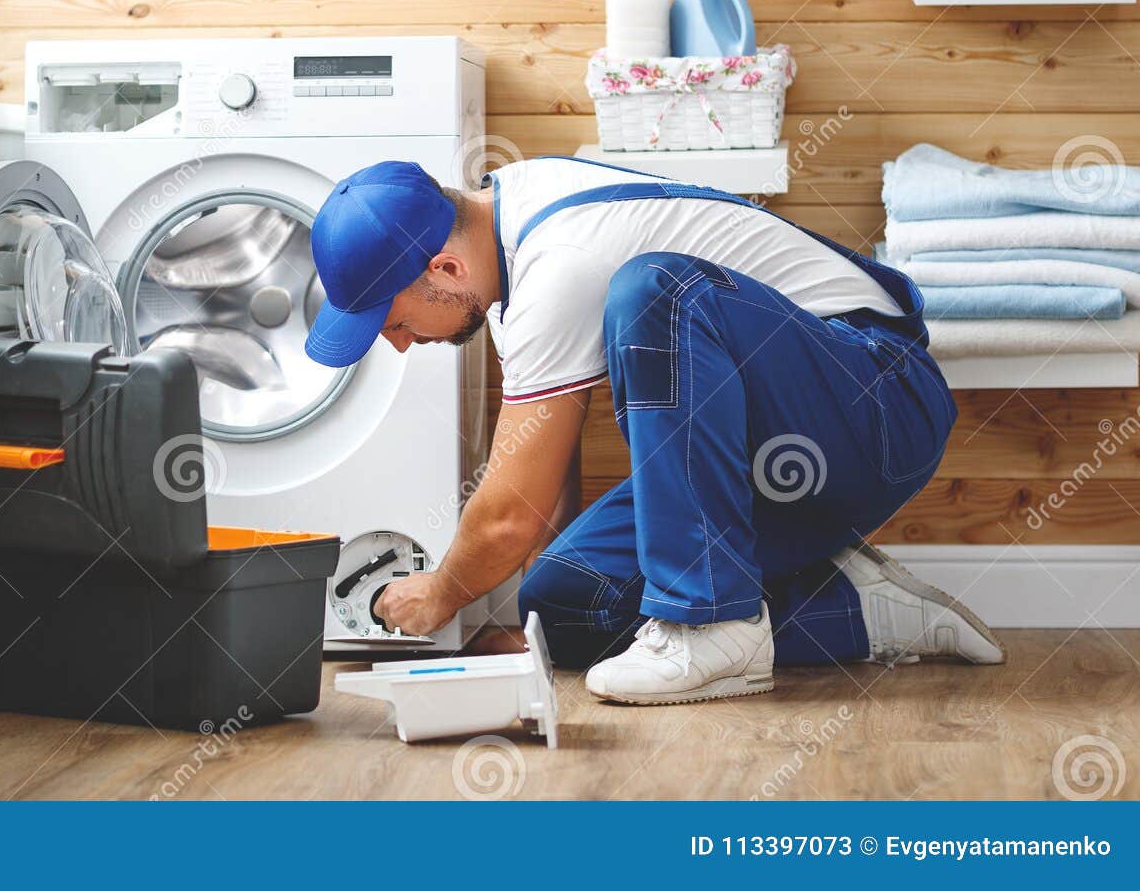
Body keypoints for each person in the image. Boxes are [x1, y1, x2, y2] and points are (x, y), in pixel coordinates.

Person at [303, 156, 1003, 705]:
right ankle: (857, 609)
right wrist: (513, 620)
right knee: (566, 601)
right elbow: (538, 482)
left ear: (444, 270)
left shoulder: (560, 258)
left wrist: (445, 590)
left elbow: (509, 515)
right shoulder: (508, 228)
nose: (398, 344)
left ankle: (714, 624)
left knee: (653, 291)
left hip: (880, 405)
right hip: (784, 444)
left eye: (395, 322)